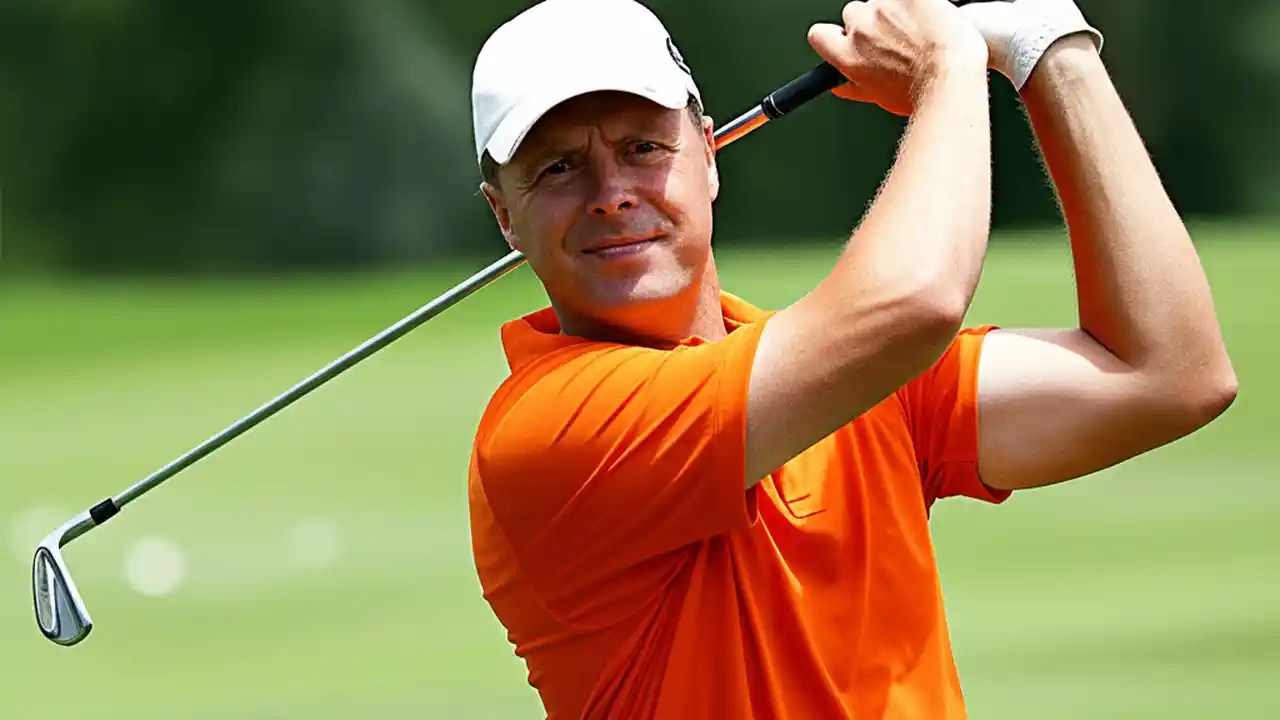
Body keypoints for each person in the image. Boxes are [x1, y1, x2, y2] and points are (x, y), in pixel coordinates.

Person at [466, 0, 1238, 717]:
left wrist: (1050, 46)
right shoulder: (547, 433)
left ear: (708, 155)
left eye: (643, 148)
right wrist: (948, 68)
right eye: (559, 167)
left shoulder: (850, 380)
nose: (610, 193)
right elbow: (916, 302)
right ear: (504, 214)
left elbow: (1168, 374)